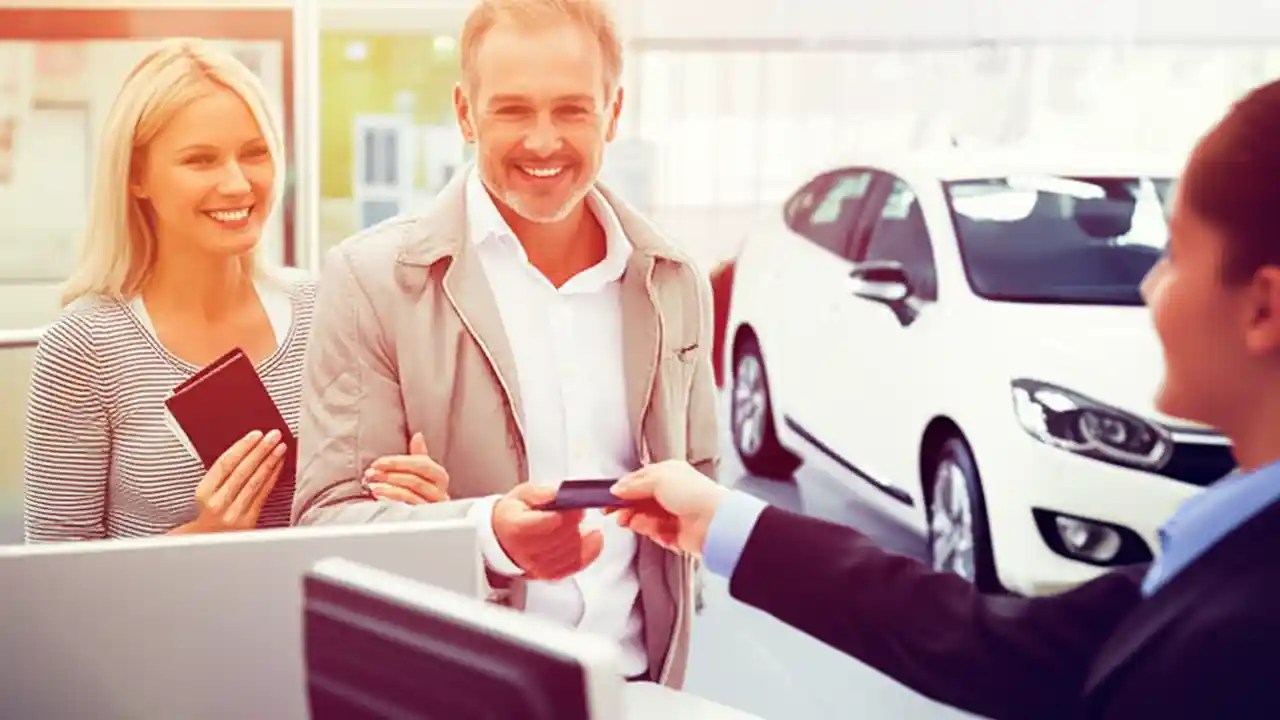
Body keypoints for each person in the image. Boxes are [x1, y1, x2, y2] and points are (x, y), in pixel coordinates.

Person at [608, 79, 1280, 719]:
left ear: (1264, 309)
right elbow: (1001, 643)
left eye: (1174, 254)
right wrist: (722, 520)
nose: (1149, 287)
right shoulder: (1228, 553)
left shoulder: (1245, 636)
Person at [292, 0, 718, 688]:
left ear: (613, 112)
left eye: (572, 110)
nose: (543, 142)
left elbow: (699, 479)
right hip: (463, 688)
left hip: (638, 690)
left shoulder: (674, 280)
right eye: (513, 110)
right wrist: (483, 533)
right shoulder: (371, 282)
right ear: (465, 113)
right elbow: (325, 524)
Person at [21, 38, 439, 542]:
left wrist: (416, 510)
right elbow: (55, 572)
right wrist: (203, 537)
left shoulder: (331, 305)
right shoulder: (83, 347)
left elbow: (378, 527)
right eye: (201, 160)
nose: (238, 184)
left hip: (320, 596)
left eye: (255, 153)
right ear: (136, 177)